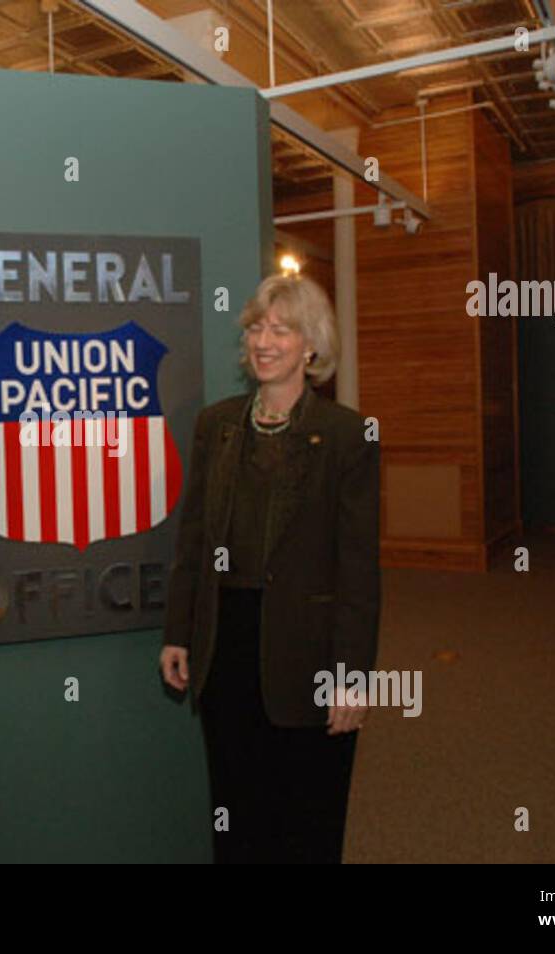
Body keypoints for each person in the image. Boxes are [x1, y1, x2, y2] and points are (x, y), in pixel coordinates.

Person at [159, 274, 380, 864]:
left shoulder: (345, 435)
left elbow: (359, 566)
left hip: (308, 651)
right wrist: (179, 632)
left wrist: (352, 675)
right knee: (236, 811)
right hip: (225, 646)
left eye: (281, 329)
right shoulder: (217, 424)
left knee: (307, 815)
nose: (263, 340)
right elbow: (195, 538)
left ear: (311, 346)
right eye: (256, 327)